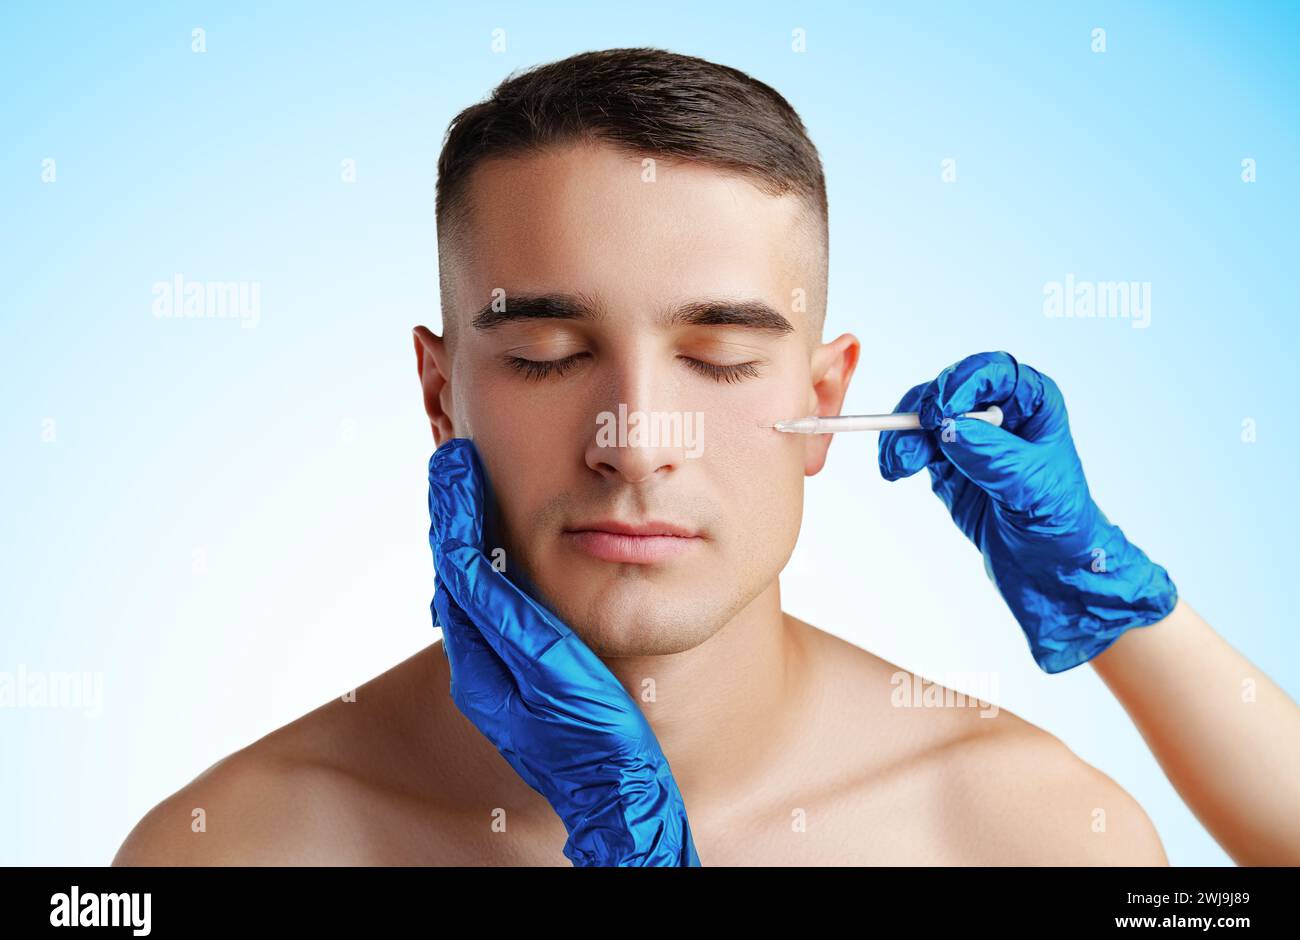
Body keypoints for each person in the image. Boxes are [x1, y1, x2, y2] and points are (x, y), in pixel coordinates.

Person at [113, 47, 1299, 867]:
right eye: (544, 352)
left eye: (722, 357)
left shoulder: (1023, 831)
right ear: (439, 392)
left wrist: (1113, 597)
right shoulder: (229, 846)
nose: (635, 441)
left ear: (827, 399)